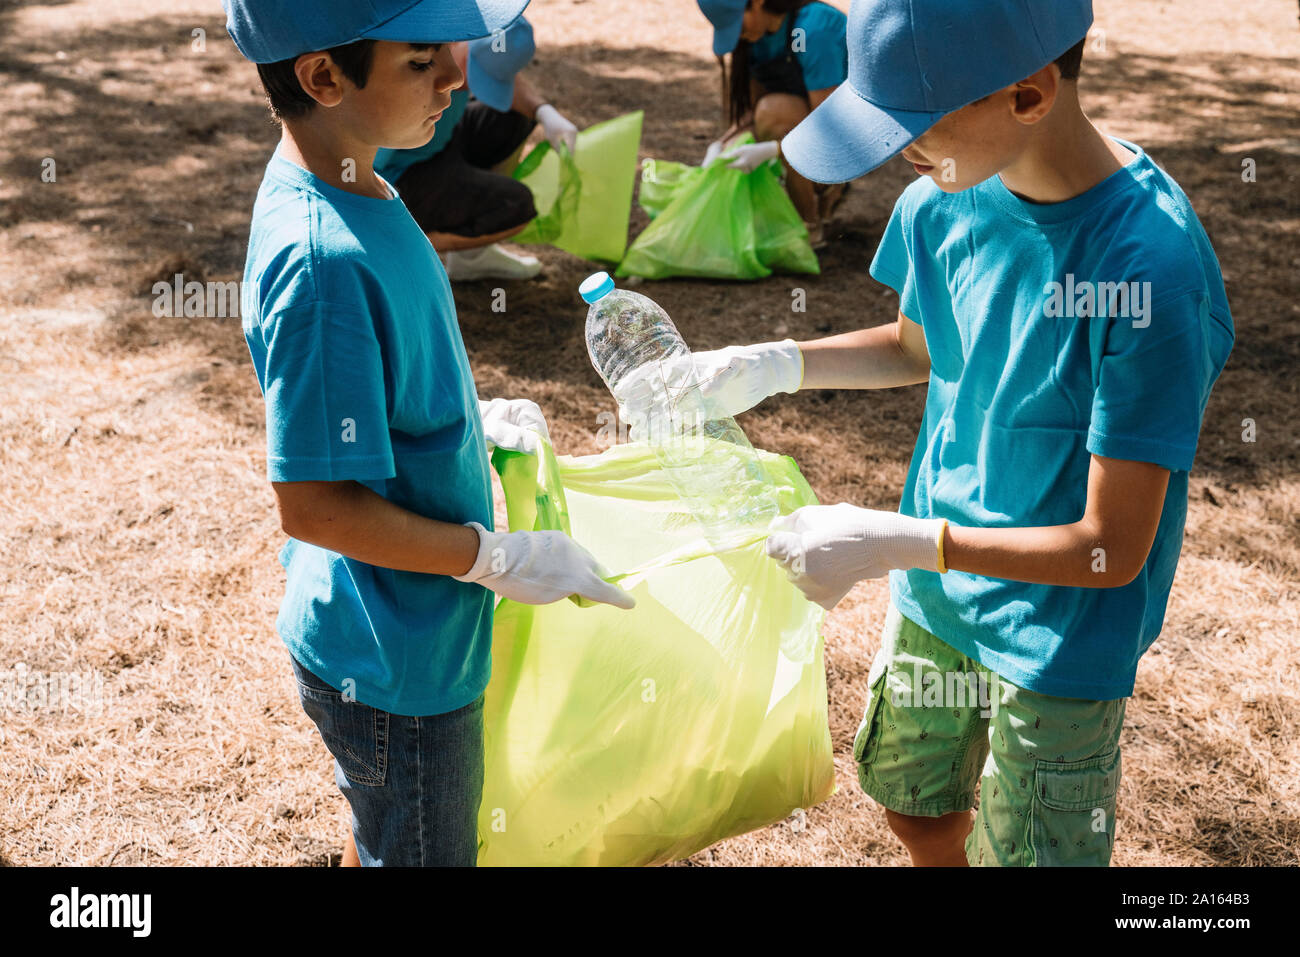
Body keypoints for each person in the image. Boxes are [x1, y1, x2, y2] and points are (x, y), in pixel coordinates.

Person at [626, 0, 1234, 866]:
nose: (893, 152)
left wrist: (897, 540)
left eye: (910, 124)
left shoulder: (1151, 270)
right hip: (934, 597)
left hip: (1056, 632)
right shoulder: (941, 201)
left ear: (1027, 96)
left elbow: (1111, 547)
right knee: (916, 804)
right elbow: (920, 344)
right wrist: (775, 362)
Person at [225, 0, 634, 868]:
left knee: (388, 833)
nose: (457, 74)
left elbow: (375, 387)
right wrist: (494, 556)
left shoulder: (365, 177)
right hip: (398, 667)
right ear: (323, 76)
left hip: (406, 633)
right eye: (421, 61)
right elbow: (317, 507)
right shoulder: (321, 260)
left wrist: (457, 424)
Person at [373, 16, 579, 281]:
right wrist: (384, 233)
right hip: (401, 175)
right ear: (459, 40)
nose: (467, 83)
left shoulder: (455, 45)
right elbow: (369, 169)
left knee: (514, 116)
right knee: (515, 206)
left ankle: (472, 258)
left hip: (438, 145)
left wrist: (544, 111)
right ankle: (404, 248)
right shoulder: (413, 79)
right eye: (474, 72)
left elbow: (497, 70)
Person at [697, 0, 849, 241]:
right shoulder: (755, 38)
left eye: (737, 24)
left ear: (757, 3)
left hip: (841, 140)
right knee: (739, 140)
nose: (739, 35)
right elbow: (750, 111)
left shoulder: (810, 31)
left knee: (773, 113)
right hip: (802, 122)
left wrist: (773, 149)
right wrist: (720, 145)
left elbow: (832, 126)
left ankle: (810, 223)